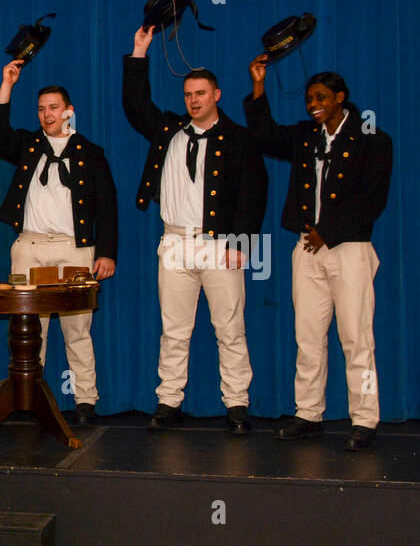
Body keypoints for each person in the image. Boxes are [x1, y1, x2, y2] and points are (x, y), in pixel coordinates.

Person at [124, 25, 268, 434]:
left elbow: (254, 192)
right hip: (173, 241)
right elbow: (135, 105)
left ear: (216, 95)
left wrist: (242, 243)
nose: (193, 100)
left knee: (230, 328)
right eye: (188, 94)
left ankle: (237, 404)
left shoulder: (239, 138)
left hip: (220, 243)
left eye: (200, 93)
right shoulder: (168, 129)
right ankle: (169, 400)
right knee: (173, 330)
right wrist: (139, 53)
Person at [244, 62, 393, 451]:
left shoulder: (372, 139)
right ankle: (308, 413)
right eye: (310, 99)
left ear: (340, 98)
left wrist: (327, 232)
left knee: (357, 339)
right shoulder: (306, 136)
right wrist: (259, 87)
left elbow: (372, 199)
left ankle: (365, 419)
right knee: (307, 338)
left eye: (321, 98)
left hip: (349, 250)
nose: (313, 104)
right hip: (306, 250)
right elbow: (263, 136)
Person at [0, 61, 118, 426]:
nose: (47, 114)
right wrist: (6, 85)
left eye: (54, 108)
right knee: (30, 329)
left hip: (74, 248)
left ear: (68, 111)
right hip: (30, 247)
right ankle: (29, 399)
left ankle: (85, 401)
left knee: (78, 330)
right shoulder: (28, 145)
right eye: (42, 109)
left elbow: (107, 205)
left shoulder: (90, 153)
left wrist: (106, 252)